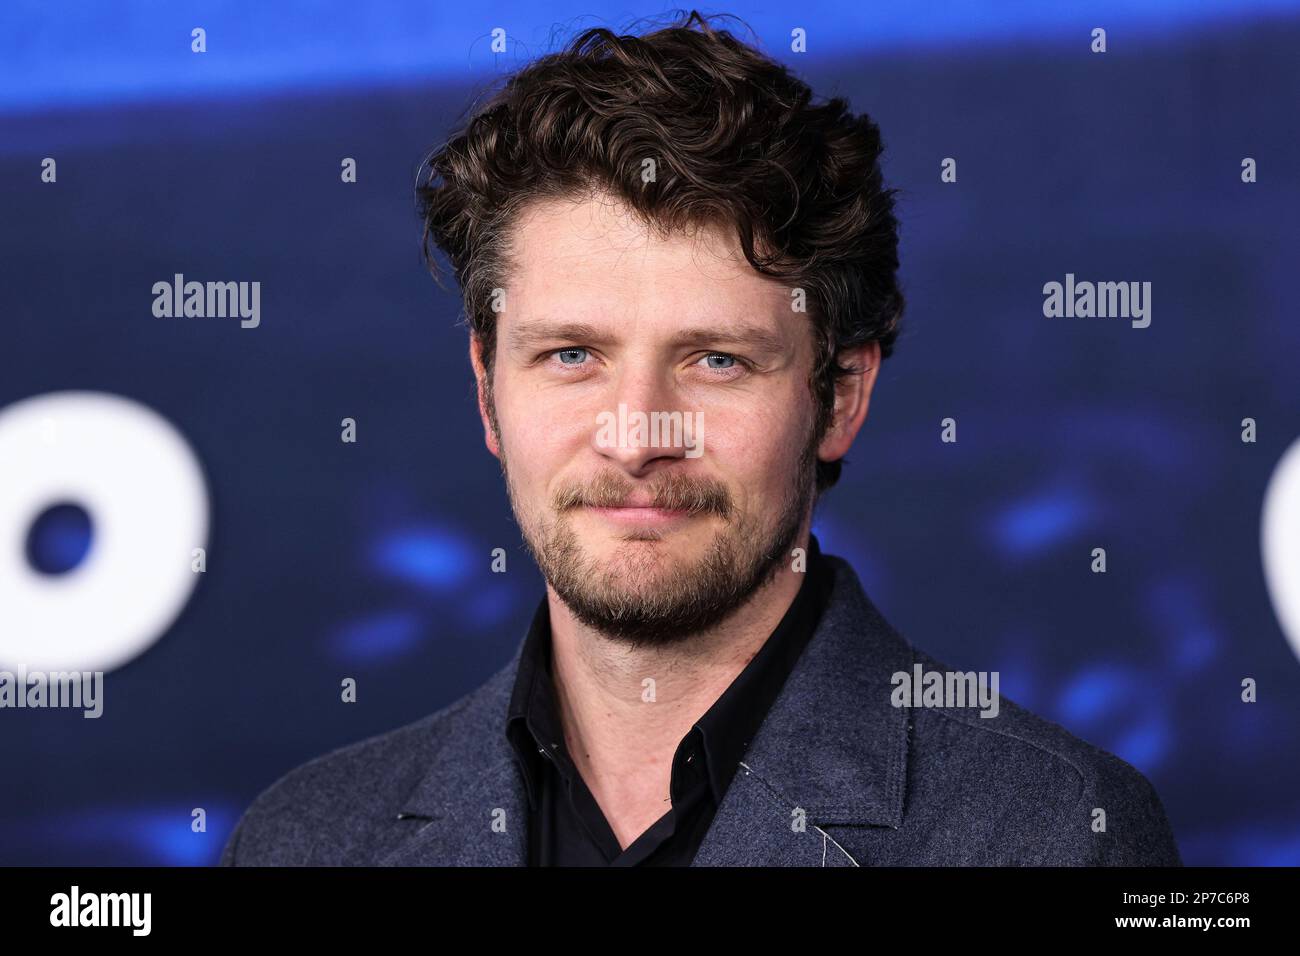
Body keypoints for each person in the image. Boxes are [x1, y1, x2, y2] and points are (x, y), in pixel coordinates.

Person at [221, 12, 1180, 867]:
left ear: (840, 395)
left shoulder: (1055, 834)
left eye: (717, 360)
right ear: (487, 393)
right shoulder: (307, 838)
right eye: (570, 356)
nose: (637, 434)